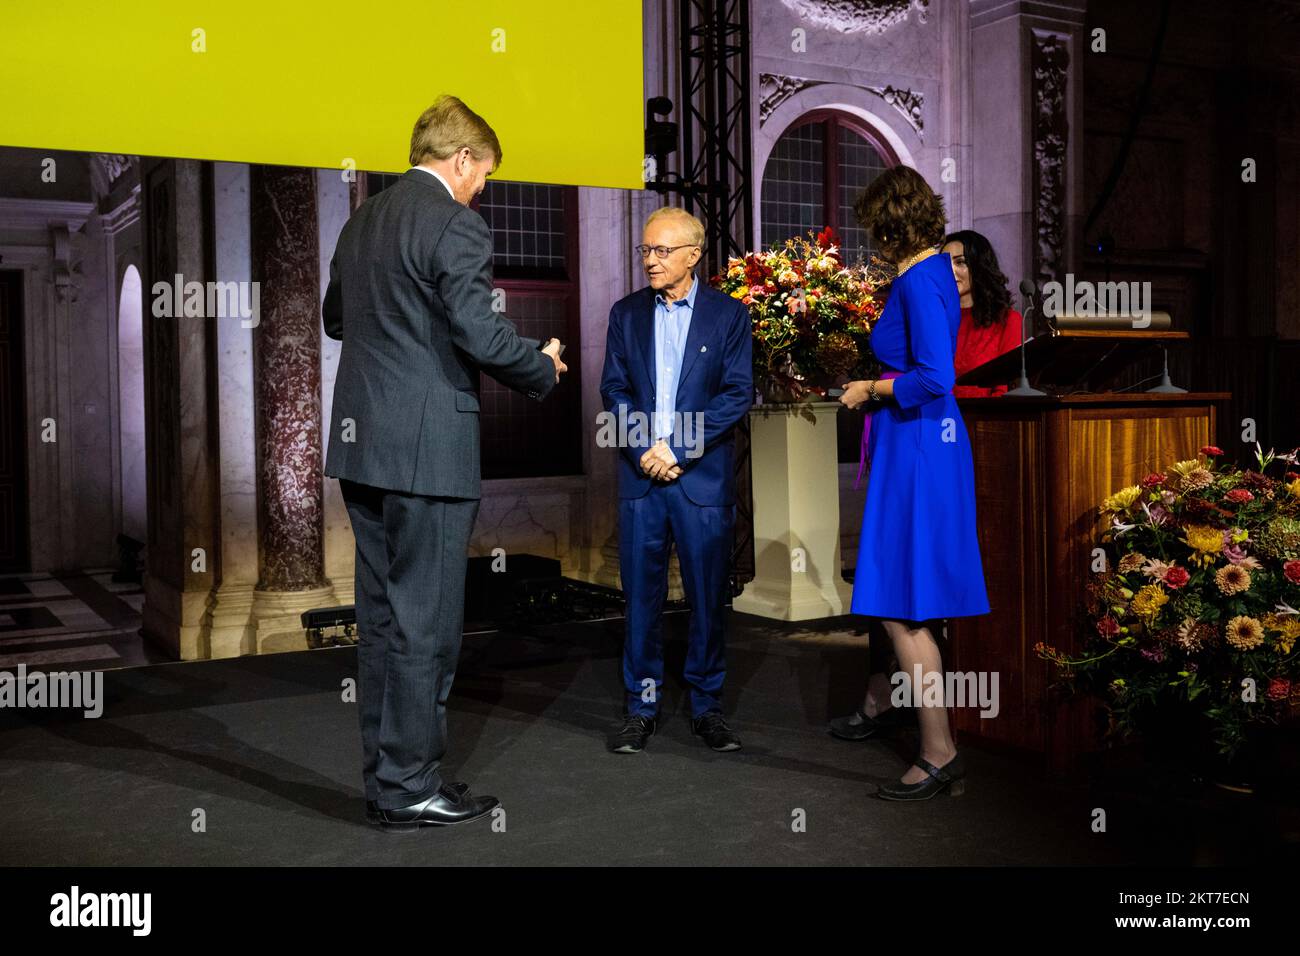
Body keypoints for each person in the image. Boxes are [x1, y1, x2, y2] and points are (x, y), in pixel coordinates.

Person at [323, 95, 567, 830]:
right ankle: (412, 789)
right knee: (424, 626)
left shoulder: (362, 219)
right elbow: (482, 335)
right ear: (461, 159)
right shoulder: (455, 222)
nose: (483, 188)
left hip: (365, 448)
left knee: (385, 622)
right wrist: (543, 366)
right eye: (483, 172)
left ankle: (390, 781)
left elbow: (338, 318)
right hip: (427, 451)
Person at [836, 166, 990, 800]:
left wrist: (870, 388)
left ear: (890, 221)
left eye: (873, 225)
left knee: (906, 609)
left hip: (924, 446)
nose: (869, 237)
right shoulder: (921, 274)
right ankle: (937, 748)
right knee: (900, 607)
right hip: (911, 443)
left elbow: (935, 377)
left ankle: (938, 751)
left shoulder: (924, 277)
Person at [598, 207, 753, 755]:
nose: (651, 261)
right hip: (643, 480)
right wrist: (644, 449)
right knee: (640, 598)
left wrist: (679, 448)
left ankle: (707, 708)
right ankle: (641, 708)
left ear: (693, 254)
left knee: (708, 599)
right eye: (645, 251)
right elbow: (613, 389)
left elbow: (737, 394)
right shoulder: (625, 314)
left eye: (662, 251)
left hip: (700, 480)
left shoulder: (729, 316)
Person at [943, 230, 1023, 398]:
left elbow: (1003, 389)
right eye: (944, 263)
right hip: (934, 419)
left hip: (983, 419)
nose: (950, 270)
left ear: (979, 266)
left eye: (960, 262)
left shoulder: (1007, 321)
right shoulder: (933, 319)